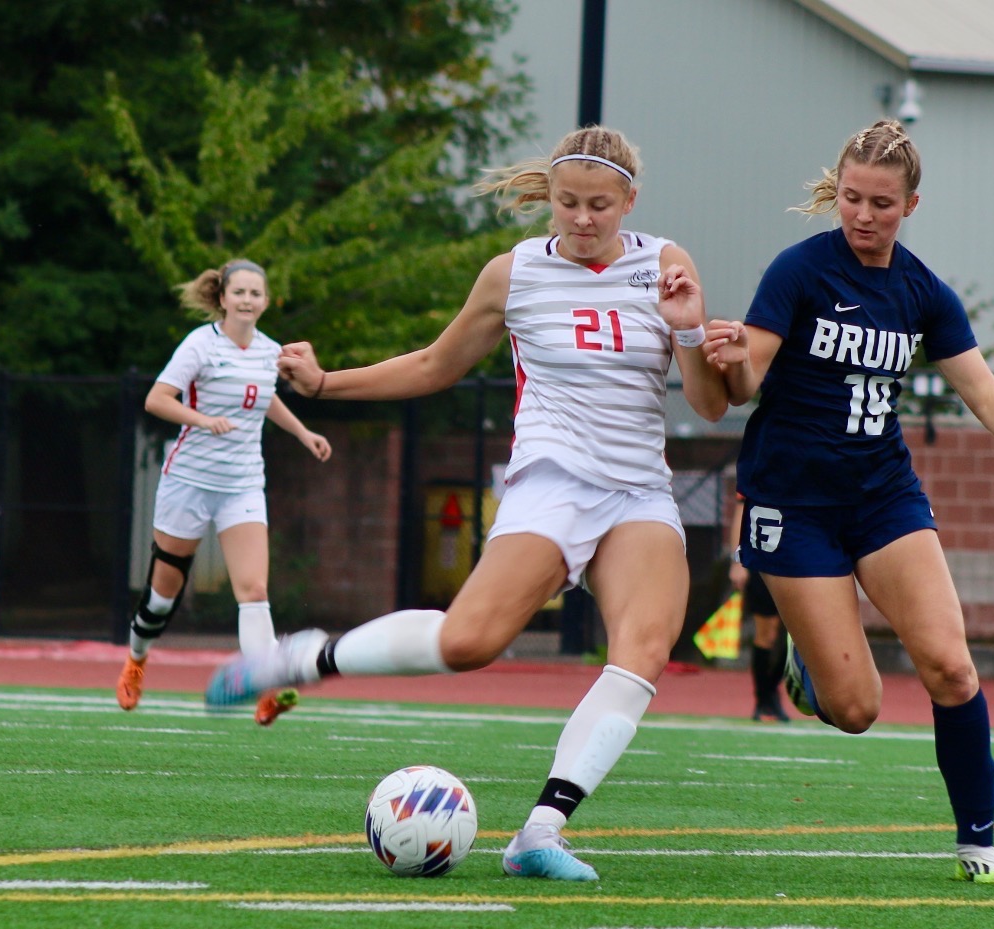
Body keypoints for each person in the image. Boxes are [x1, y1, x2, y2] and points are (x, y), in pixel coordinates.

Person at [204, 125, 729, 882]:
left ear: (630, 202)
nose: (582, 219)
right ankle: (305, 655)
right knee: (468, 642)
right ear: (548, 198)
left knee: (643, 651)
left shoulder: (666, 264)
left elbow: (711, 406)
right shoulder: (513, 273)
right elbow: (432, 364)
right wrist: (324, 385)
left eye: (599, 206)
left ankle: (540, 832)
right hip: (550, 482)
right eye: (567, 202)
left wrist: (688, 331)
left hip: (639, 490)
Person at [701, 119, 994, 885]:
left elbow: (984, 394)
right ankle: (810, 660)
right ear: (837, 192)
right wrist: (730, 359)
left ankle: (978, 843)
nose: (864, 216)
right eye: (852, 199)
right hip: (793, 504)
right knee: (856, 708)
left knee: (951, 667)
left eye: (882, 204)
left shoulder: (922, 290)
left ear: (912, 205)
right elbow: (744, 387)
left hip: (883, 495)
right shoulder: (797, 272)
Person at [118, 259, 333, 726]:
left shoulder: (270, 351)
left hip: (242, 486)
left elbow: (266, 396)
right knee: (161, 596)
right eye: (240, 292)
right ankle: (137, 659)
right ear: (222, 298)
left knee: (254, 590)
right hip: (188, 484)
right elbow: (157, 399)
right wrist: (203, 421)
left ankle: (265, 689)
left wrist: (303, 433)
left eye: (256, 293)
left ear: (266, 301)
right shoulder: (199, 345)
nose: (248, 300)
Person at [725, 491, 789, 722]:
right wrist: (738, 561)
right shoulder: (758, 462)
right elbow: (741, 511)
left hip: (796, 555)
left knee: (794, 634)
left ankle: (773, 692)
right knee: (767, 633)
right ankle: (763, 700)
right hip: (762, 555)